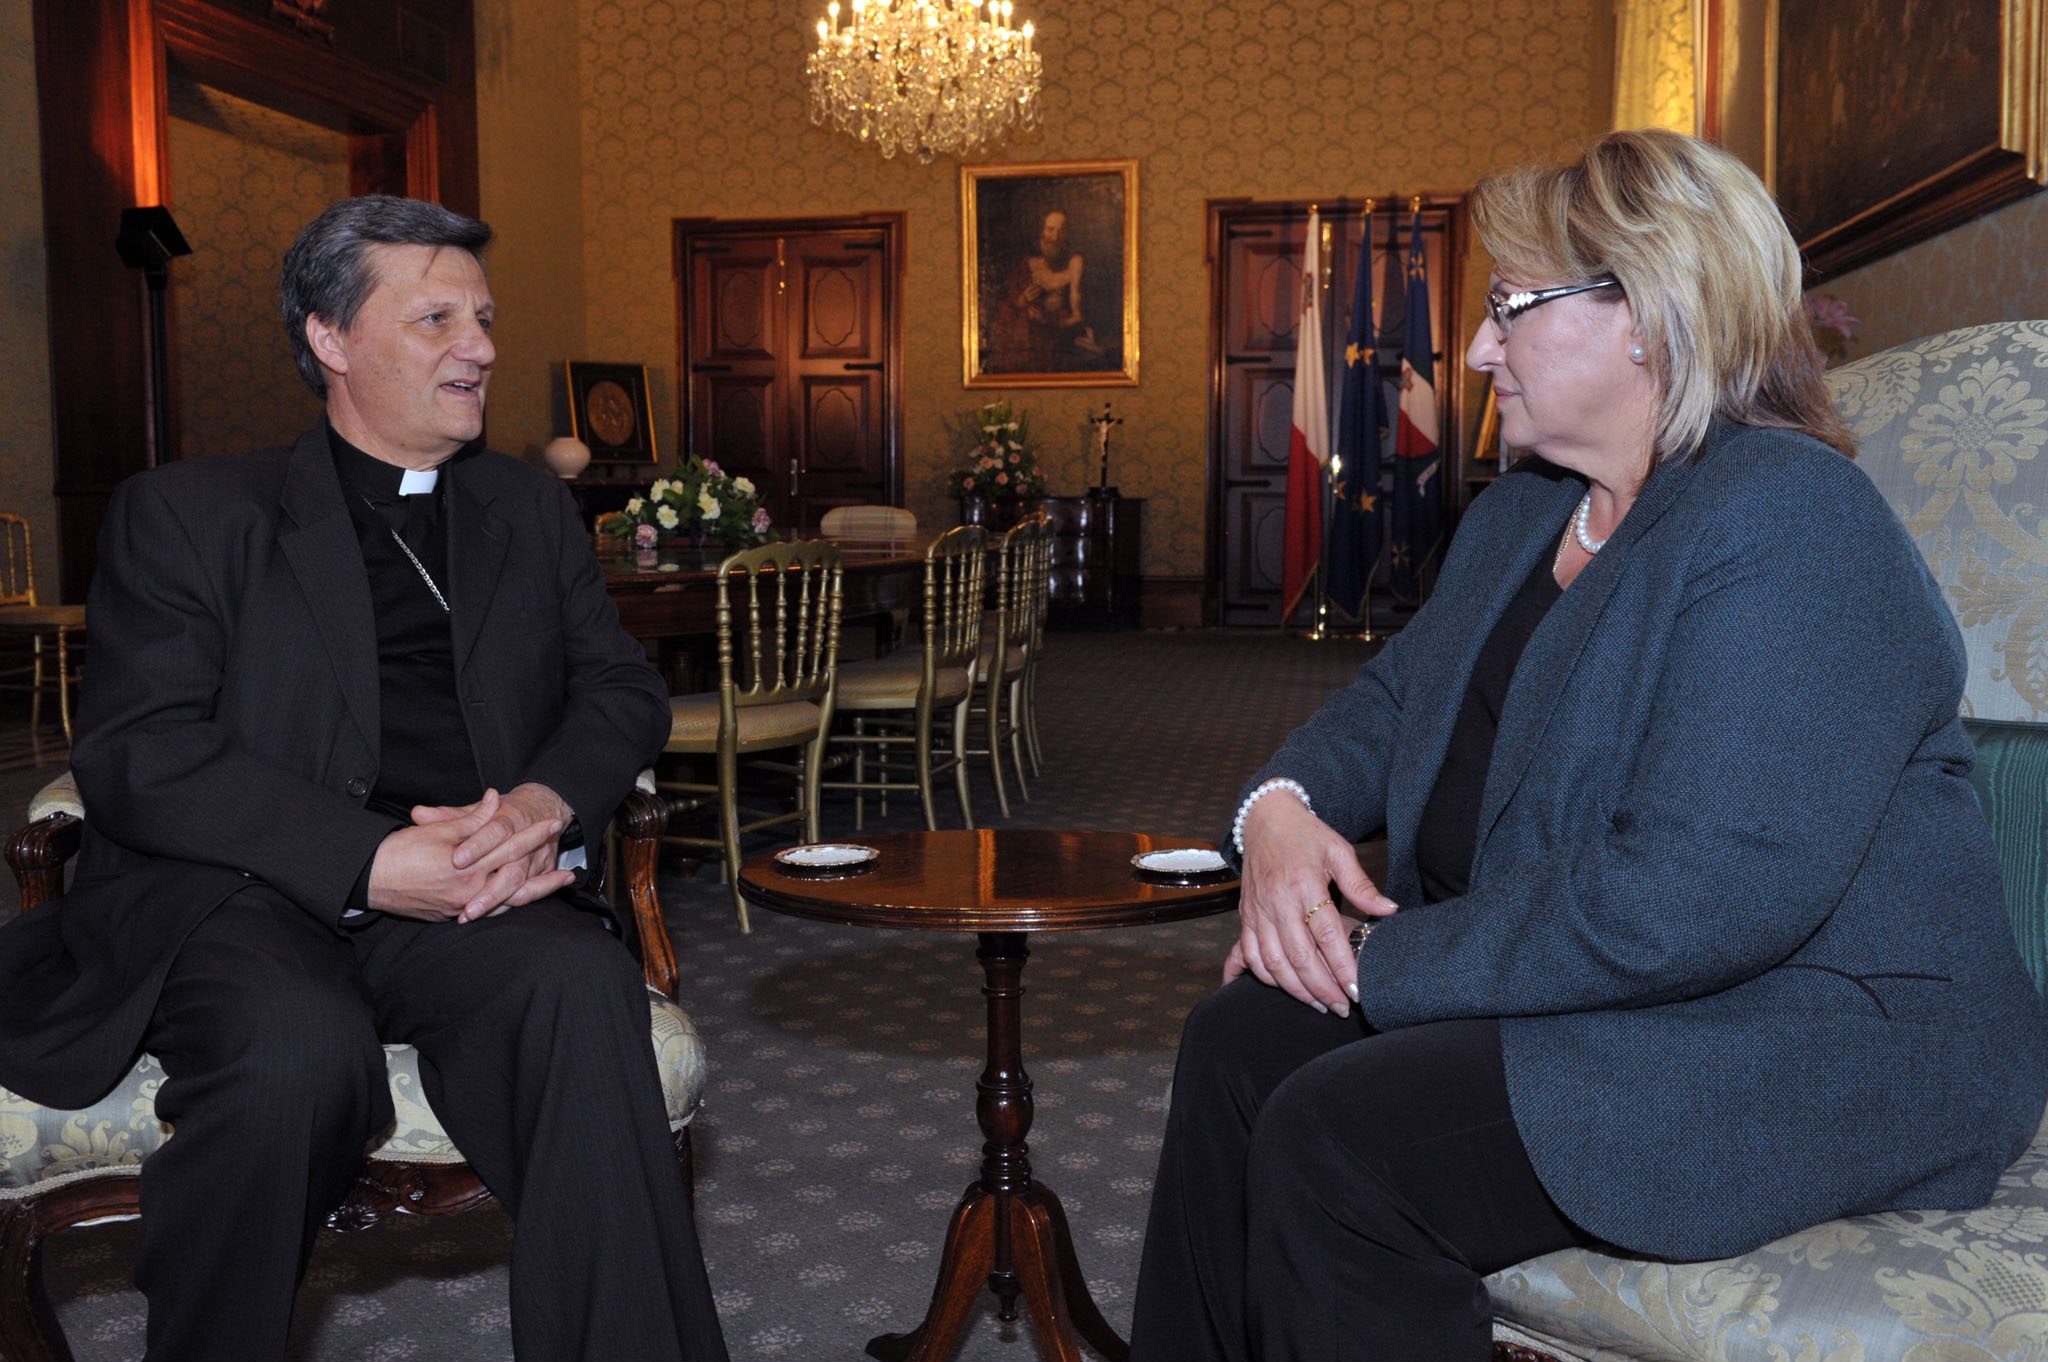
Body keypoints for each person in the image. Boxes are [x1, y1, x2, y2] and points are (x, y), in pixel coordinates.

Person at [1126, 129, 2048, 1362]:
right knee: (1237, 1041)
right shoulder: (1522, 514)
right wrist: (1281, 811)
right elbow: (1389, 706)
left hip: (1812, 1037)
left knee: (1342, 1139)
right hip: (1621, 991)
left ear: (1649, 317)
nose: (1475, 350)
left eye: (1509, 307)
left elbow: (1695, 901)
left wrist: (1365, 961)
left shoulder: (1789, 520)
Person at [0, 196, 729, 1361]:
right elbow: (140, 750)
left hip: (471, 886)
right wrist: (370, 860)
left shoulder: (527, 512)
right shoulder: (189, 514)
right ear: (330, 337)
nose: (481, 347)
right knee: (295, 1051)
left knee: (580, 996)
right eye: (436, 317)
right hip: (241, 896)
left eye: (482, 318)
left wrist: (539, 805)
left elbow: (620, 693)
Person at [988, 209, 1101, 371]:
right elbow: (1008, 308)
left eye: (1061, 231)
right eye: (1050, 230)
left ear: (1068, 235)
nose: (1055, 237)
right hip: (1034, 342)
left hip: (1064, 341)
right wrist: (1023, 300)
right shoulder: (1027, 266)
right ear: (1041, 232)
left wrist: (1048, 322)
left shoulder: (1076, 264)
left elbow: (1079, 317)